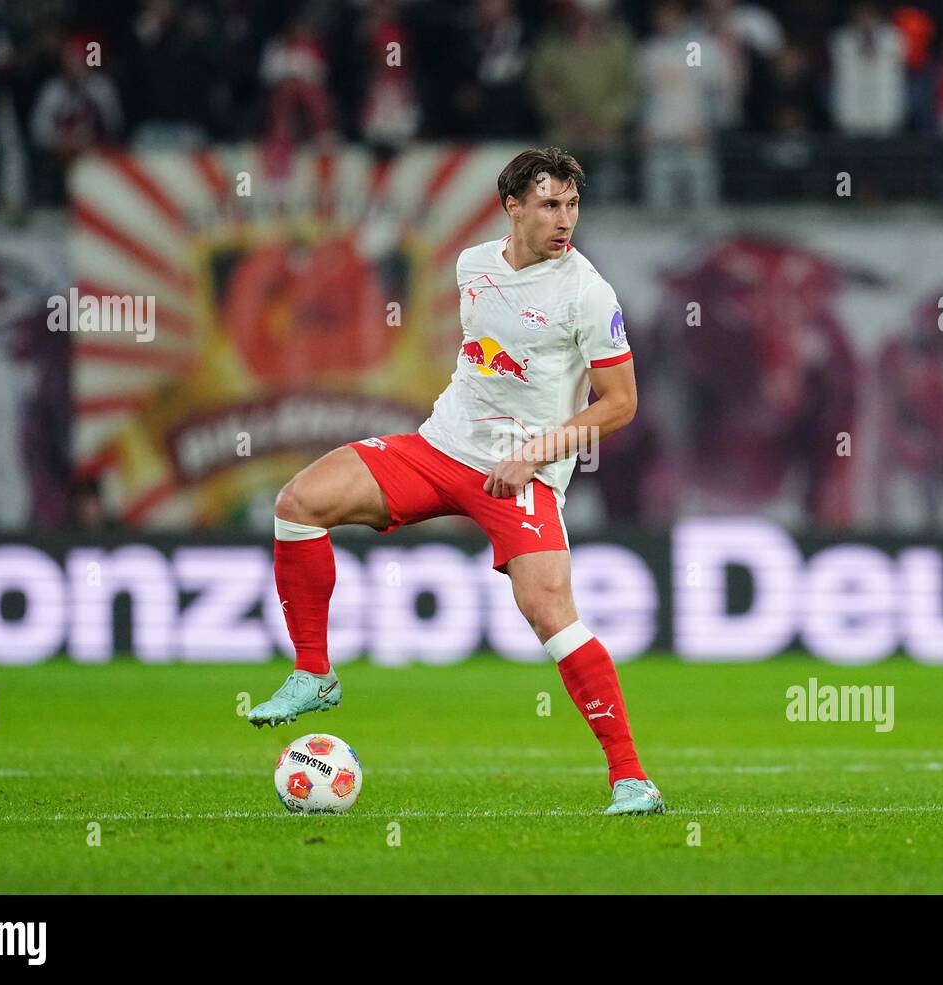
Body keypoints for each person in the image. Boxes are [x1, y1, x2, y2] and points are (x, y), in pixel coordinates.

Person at [246, 147, 664, 816]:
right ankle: (314, 672)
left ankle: (631, 779)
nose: (565, 219)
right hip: (439, 447)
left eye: (573, 204)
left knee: (551, 615)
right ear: (514, 207)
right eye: (551, 204)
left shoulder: (587, 292)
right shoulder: (474, 265)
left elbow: (620, 404)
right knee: (298, 503)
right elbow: (485, 360)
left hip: (518, 473)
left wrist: (534, 453)